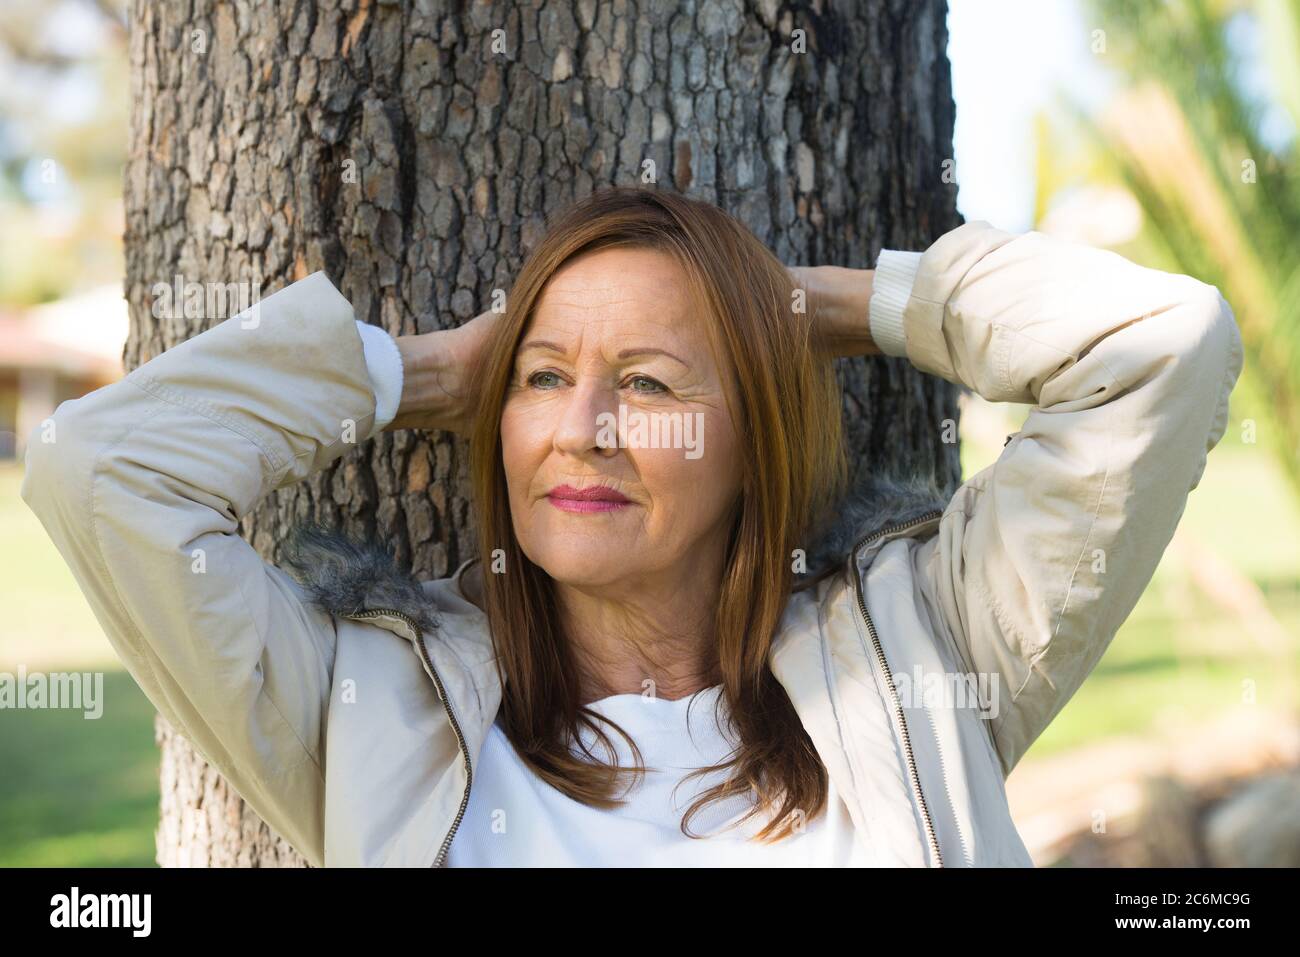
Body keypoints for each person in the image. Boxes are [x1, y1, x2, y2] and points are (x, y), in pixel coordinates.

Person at [22, 187, 1244, 867]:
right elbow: (98, 468)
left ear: (753, 437)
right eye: (542, 378)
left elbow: (1164, 349)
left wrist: (824, 308)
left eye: (652, 385)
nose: (582, 429)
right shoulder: (367, 712)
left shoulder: (924, 648)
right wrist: (412, 375)